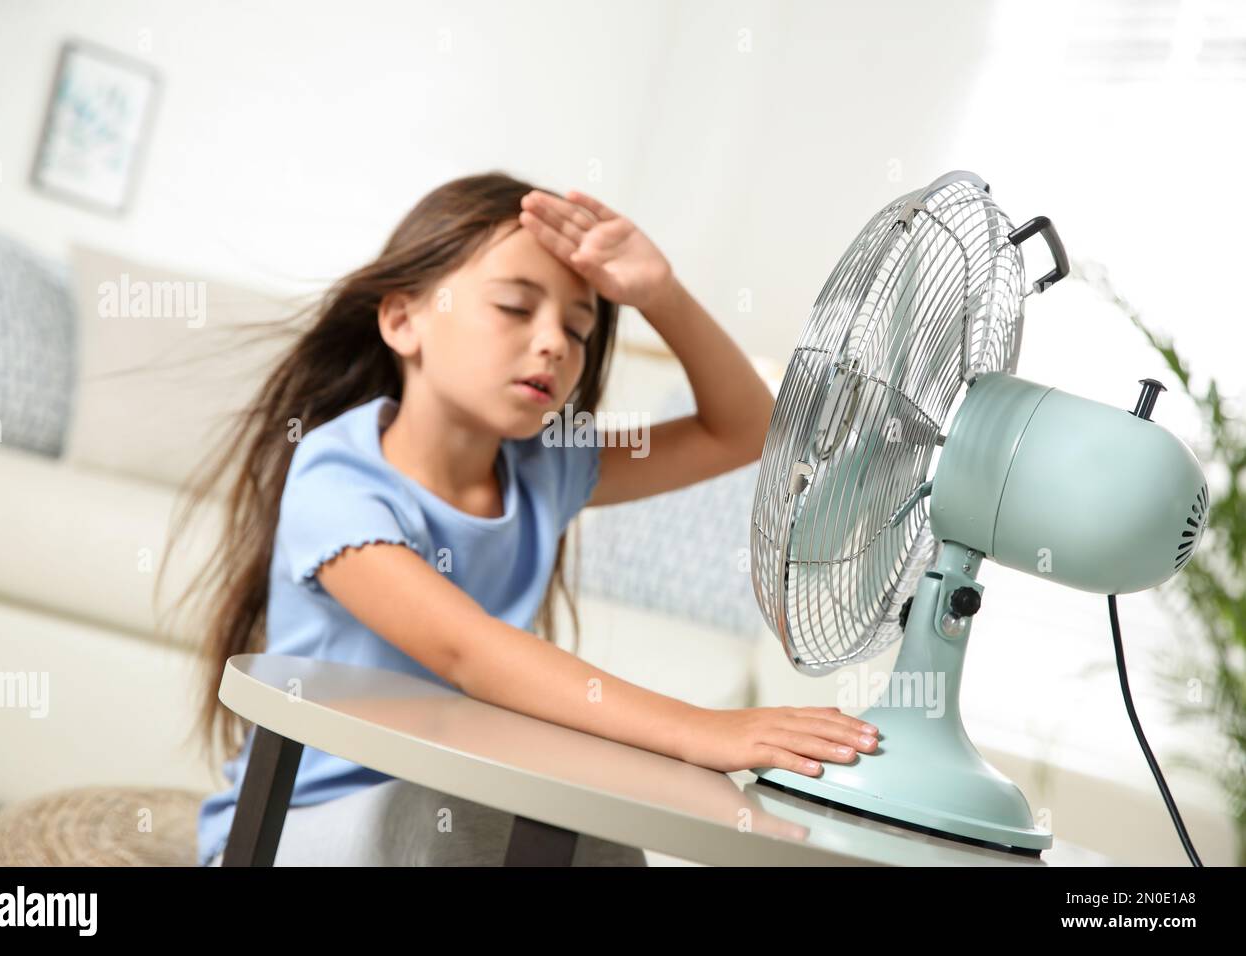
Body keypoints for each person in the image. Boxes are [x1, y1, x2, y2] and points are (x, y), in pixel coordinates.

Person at [163, 171, 879, 866]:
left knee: (598, 847)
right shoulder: (337, 477)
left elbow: (746, 428)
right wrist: (698, 730)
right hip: (293, 832)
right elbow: (466, 651)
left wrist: (660, 295)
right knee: (453, 831)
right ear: (403, 319)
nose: (555, 344)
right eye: (514, 307)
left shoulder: (547, 467)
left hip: (458, 804)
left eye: (578, 326)